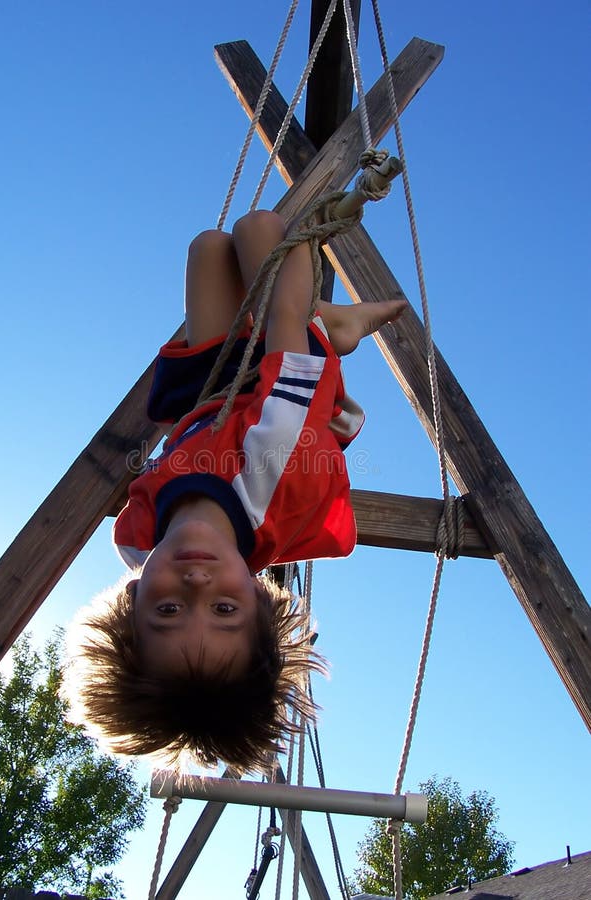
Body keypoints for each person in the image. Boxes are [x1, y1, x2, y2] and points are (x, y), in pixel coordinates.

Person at [63, 210, 406, 773]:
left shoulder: (137, 537)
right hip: (283, 385)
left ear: (131, 601)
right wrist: (302, 255)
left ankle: (332, 320)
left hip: (208, 399)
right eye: (224, 608)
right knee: (259, 232)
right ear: (255, 600)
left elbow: (142, 530)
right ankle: (337, 328)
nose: (196, 581)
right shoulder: (271, 468)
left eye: (168, 608)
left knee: (206, 248)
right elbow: (288, 324)